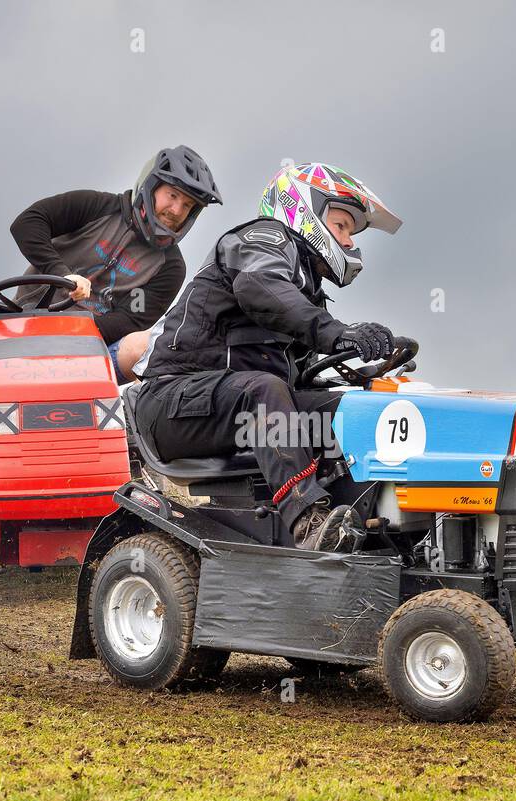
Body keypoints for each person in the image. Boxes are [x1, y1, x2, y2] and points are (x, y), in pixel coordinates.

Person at [131, 162, 402, 550]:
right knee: (264, 389)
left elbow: (302, 371)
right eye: (341, 226)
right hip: (170, 401)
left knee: (349, 407)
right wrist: (339, 334)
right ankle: (309, 524)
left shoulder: (306, 287)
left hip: (225, 406)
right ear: (304, 209)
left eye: (350, 232)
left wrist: (365, 370)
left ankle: (371, 526)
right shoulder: (263, 240)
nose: (347, 241)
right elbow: (261, 287)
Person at [0, 146, 222, 489]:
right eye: (172, 196)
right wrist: (62, 274)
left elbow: (130, 322)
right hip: (23, 330)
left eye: (187, 206)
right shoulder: (96, 206)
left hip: (91, 353)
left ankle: (136, 449)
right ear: (150, 185)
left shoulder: (171, 268)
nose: (176, 211)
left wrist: (74, 333)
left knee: (147, 345)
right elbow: (27, 223)